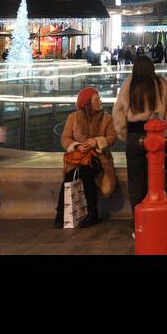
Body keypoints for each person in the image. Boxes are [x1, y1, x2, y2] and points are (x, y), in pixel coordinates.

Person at [112, 56, 167, 210]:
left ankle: (138, 221)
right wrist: (165, 131)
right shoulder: (162, 84)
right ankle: (155, 215)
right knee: (155, 179)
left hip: (134, 135)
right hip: (156, 135)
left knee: (135, 181)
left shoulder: (129, 83)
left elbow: (118, 110)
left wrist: (124, 133)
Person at [55, 86, 116, 228]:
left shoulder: (107, 119)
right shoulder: (73, 118)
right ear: (87, 102)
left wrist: (96, 142)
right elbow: (65, 138)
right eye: (96, 99)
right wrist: (76, 146)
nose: (99, 101)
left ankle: (92, 213)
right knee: (69, 175)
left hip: (99, 157)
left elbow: (112, 137)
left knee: (86, 172)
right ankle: (60, 212)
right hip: (79, 157)